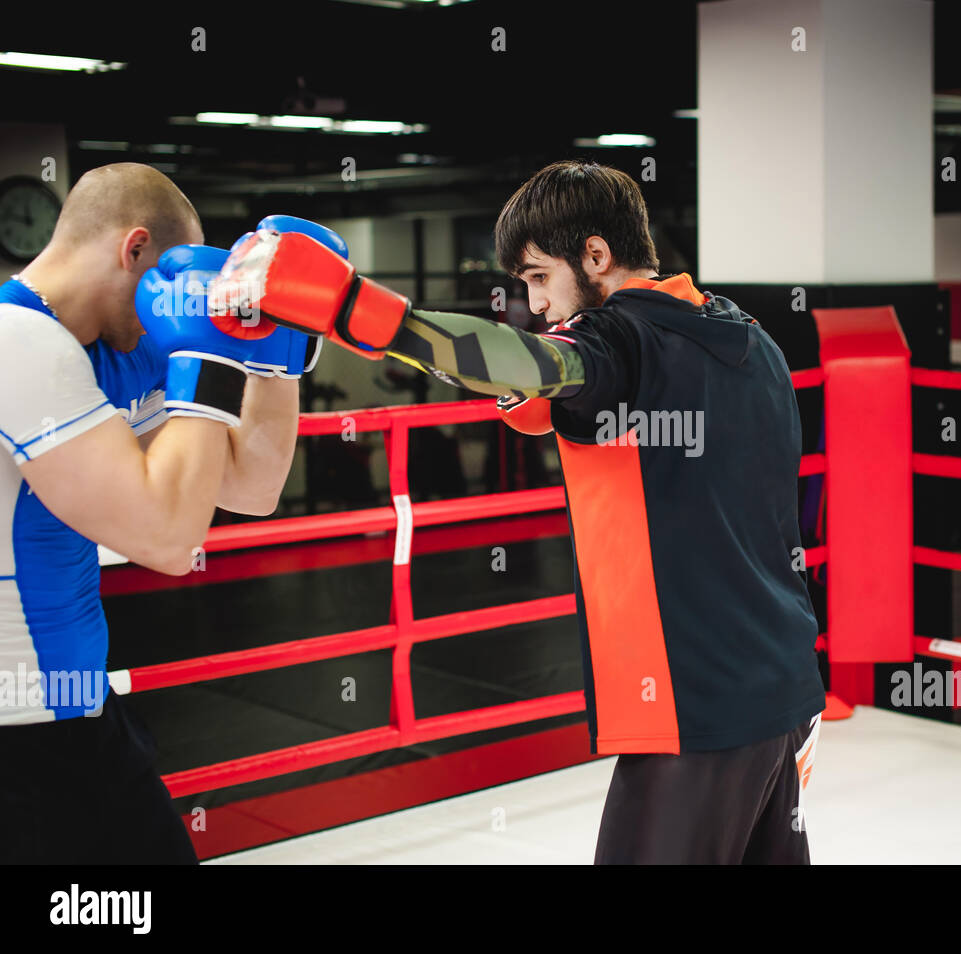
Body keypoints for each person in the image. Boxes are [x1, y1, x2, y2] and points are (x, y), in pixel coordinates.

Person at [214, 160, 826, 864]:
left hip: (697, 712)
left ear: (596, 254)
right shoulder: (748, 337)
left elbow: (523, 359)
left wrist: (351, 305)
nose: (535, 304)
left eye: (539, 277)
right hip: (784, 689)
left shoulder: (621, 341)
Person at [0, 163, 308, 863]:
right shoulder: (16, 345)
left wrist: (272, 355)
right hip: (15, 738)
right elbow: (169, 541)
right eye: (170, 279)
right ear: (133, 249)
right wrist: (205, 351)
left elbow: (250, 487)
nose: (173, 303)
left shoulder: (101, 356)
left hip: (83, 719)